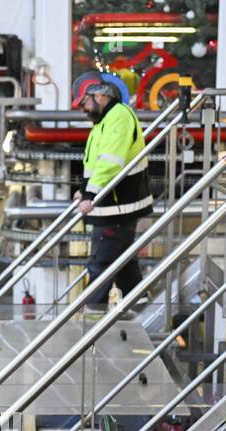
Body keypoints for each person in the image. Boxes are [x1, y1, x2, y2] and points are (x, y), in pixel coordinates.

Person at [71, 71, 154, 309]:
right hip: (113, 205)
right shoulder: (105, 121)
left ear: (98, 96)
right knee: (123, 264)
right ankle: (140, 309)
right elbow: (96, 164)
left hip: (117, 207)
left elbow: (110, 162)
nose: (83, 109)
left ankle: (91, 322)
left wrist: (90, 195)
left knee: (101, 266)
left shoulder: (118, 117)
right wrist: (85, 189)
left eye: (84, 102)